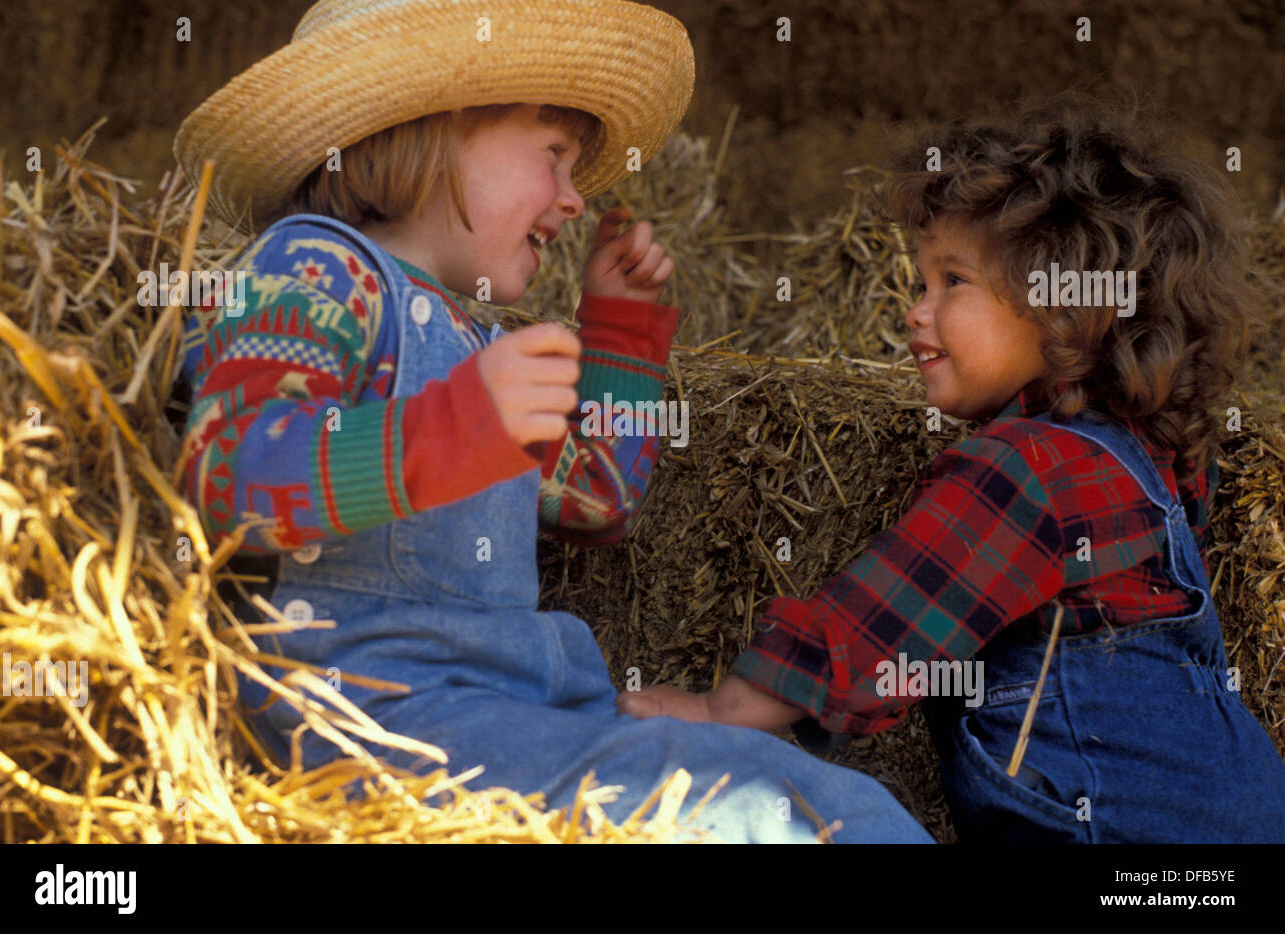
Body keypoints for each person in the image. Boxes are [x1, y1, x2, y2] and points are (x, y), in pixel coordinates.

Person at [174, 0, 931, 843]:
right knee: (756, 810)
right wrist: (451, 427)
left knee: (826, 796)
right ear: (436, 130)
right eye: (557, 157)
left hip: (512, 717)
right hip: (376, 725)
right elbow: (227, 474)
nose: (574, 201)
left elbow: (598, 498)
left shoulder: (471, 340)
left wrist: (619, 334)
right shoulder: (313, 267)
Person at [621, 99, 1285, 843]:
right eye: (919, 282)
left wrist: (717, 715)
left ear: (1068, 308)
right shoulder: (1147, 459)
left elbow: (875, 631)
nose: (914, 310)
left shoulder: (1033, 468)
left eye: (952, 282)